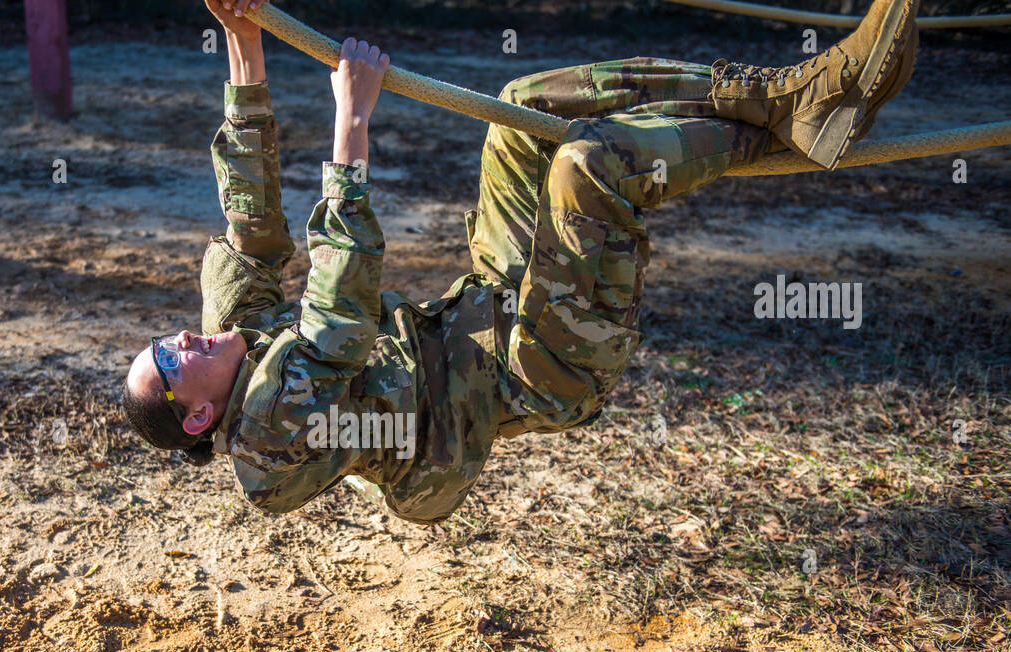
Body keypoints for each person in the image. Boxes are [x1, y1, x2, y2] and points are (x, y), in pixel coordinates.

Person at [123, 0, 918, 524]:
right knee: (586, 167)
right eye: (168, 362)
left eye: (165, 340)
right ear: (197, 415)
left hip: (488, 300)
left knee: (522, 109)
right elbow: (338, 316)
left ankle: (784, 96)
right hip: (536, 368)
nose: (180, 340)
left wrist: (242, 40)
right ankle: (808, 105)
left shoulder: (234, 338)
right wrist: (352, 122)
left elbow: (252, 220)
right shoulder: (266, 445)